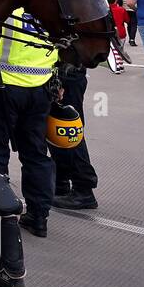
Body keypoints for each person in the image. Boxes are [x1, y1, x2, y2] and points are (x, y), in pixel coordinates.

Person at [0, 8, 58, 237]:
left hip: (4, 86)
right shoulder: (51, 10)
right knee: (36, 153)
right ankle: (39, 216)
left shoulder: (9, 8)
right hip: (42, 86)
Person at [51, 60, 99, 210]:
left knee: (69, 132)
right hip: (64, 71)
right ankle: (61, 181)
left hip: (67, 72)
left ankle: (83, 188)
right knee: (56, 130)